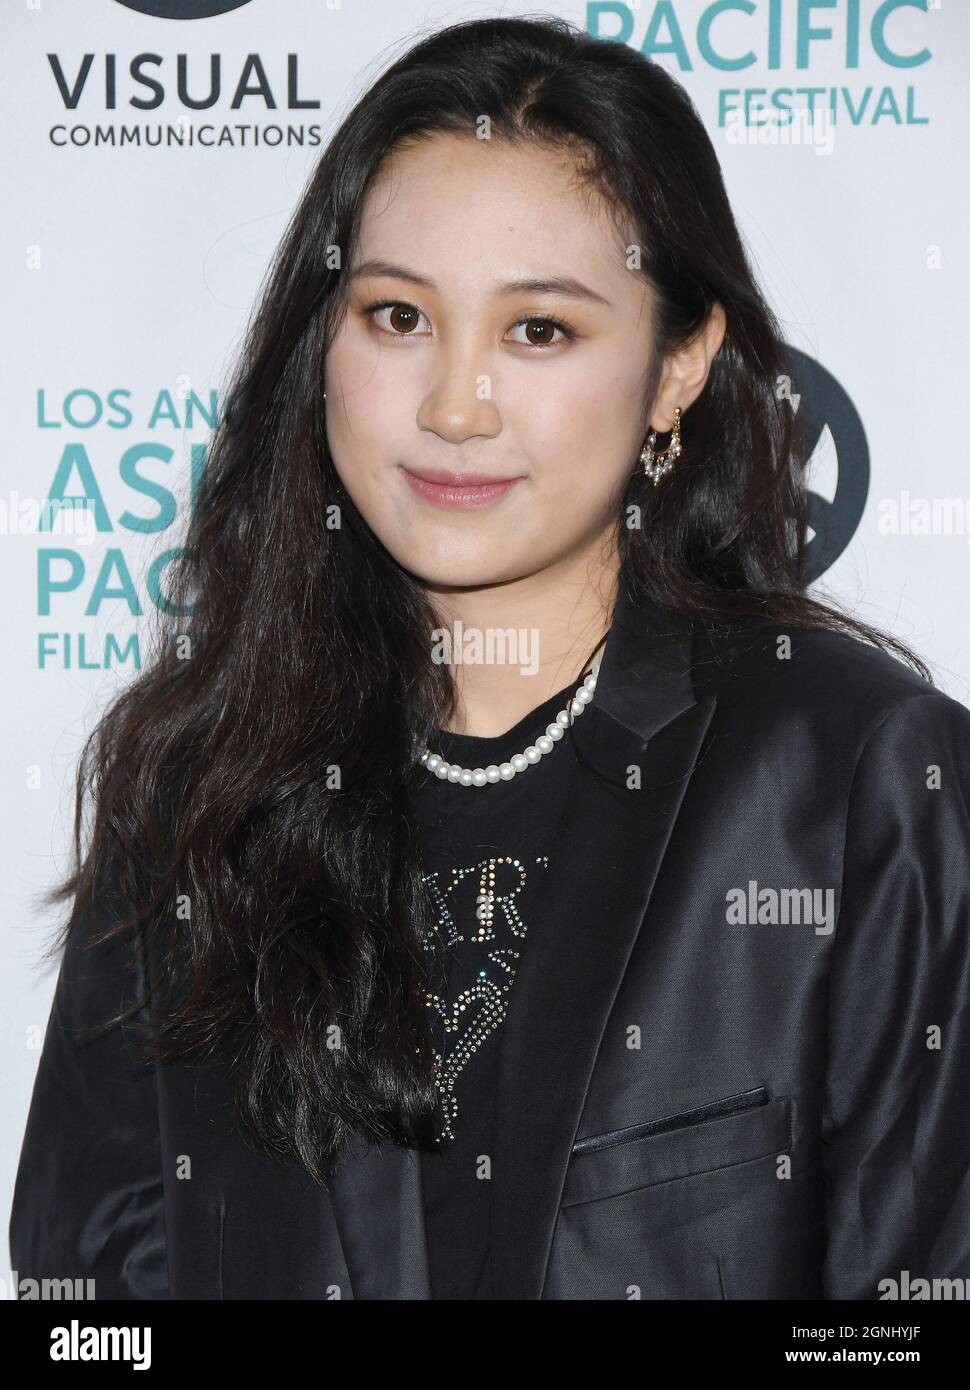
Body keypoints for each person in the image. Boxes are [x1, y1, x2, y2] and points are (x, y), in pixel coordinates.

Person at [10, 14, 970, 1301]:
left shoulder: (851, 778)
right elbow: (87, 1299)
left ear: (679, 366)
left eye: (539, 332)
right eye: (398, 315)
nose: (454, 406)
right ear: (323, 343)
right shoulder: (199, 778)